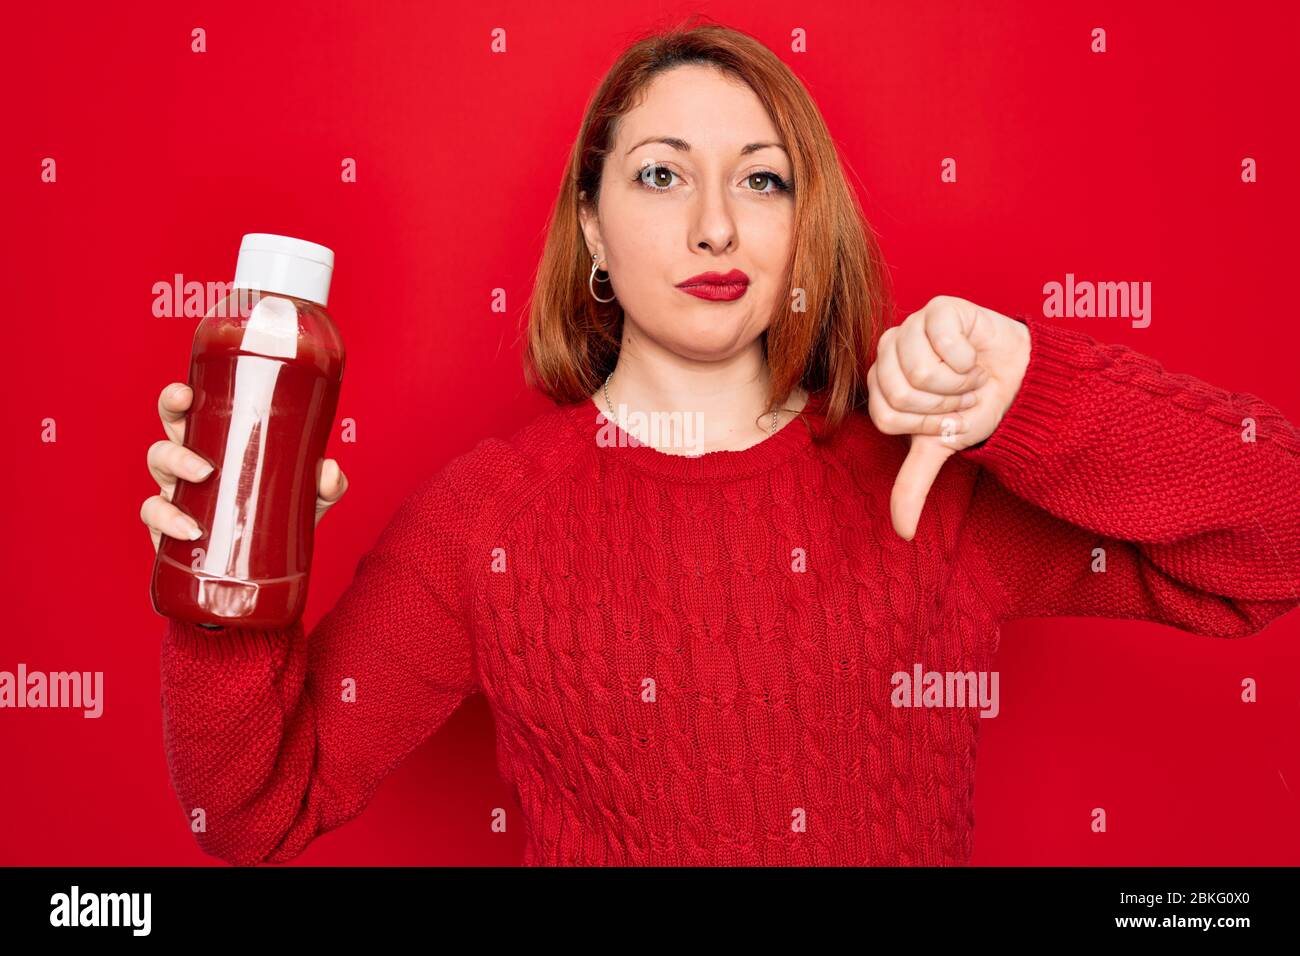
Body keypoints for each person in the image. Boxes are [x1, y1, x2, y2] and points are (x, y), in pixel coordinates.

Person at [141, 22, 1300, 866]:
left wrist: (1033, 393)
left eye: (761, 179)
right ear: (591, 224)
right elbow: (251, 812)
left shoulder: (921, 478)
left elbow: (1273, 539)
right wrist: (219, 583)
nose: (714, 225)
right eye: (660, 174)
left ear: (805, 224)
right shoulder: (486, 519)